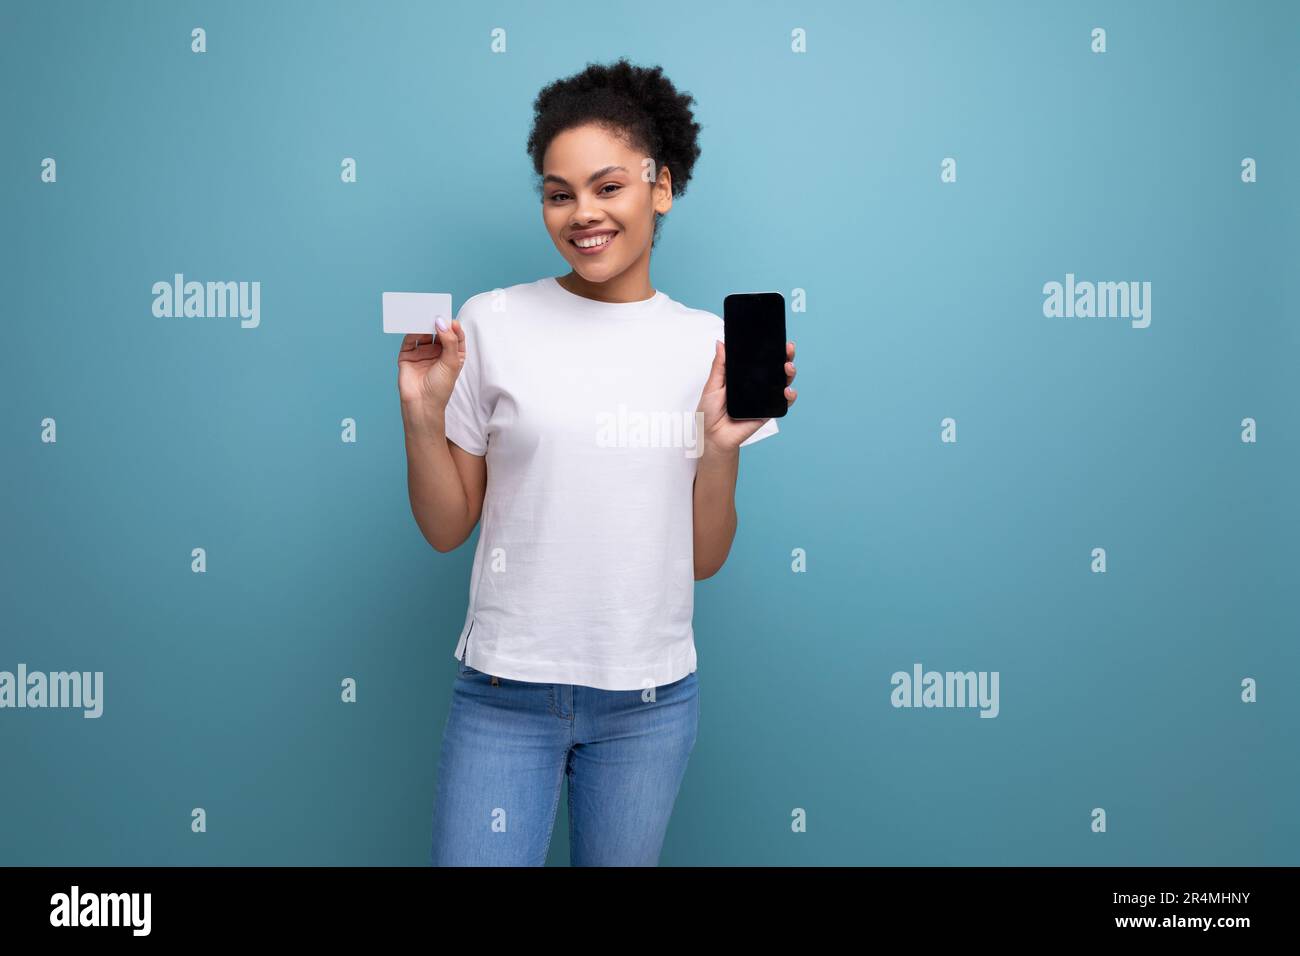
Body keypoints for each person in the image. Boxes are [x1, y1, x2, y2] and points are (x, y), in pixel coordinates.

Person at [398, 58, 799, 866]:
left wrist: (720, 451)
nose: (583, 214)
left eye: (608, 186)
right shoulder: (495, 322)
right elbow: (447, 528)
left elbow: (706, 560)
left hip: (648, 704)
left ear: (661, 187)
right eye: (559, 192)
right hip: (504, 695)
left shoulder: (701, 347)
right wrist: (421, 413)